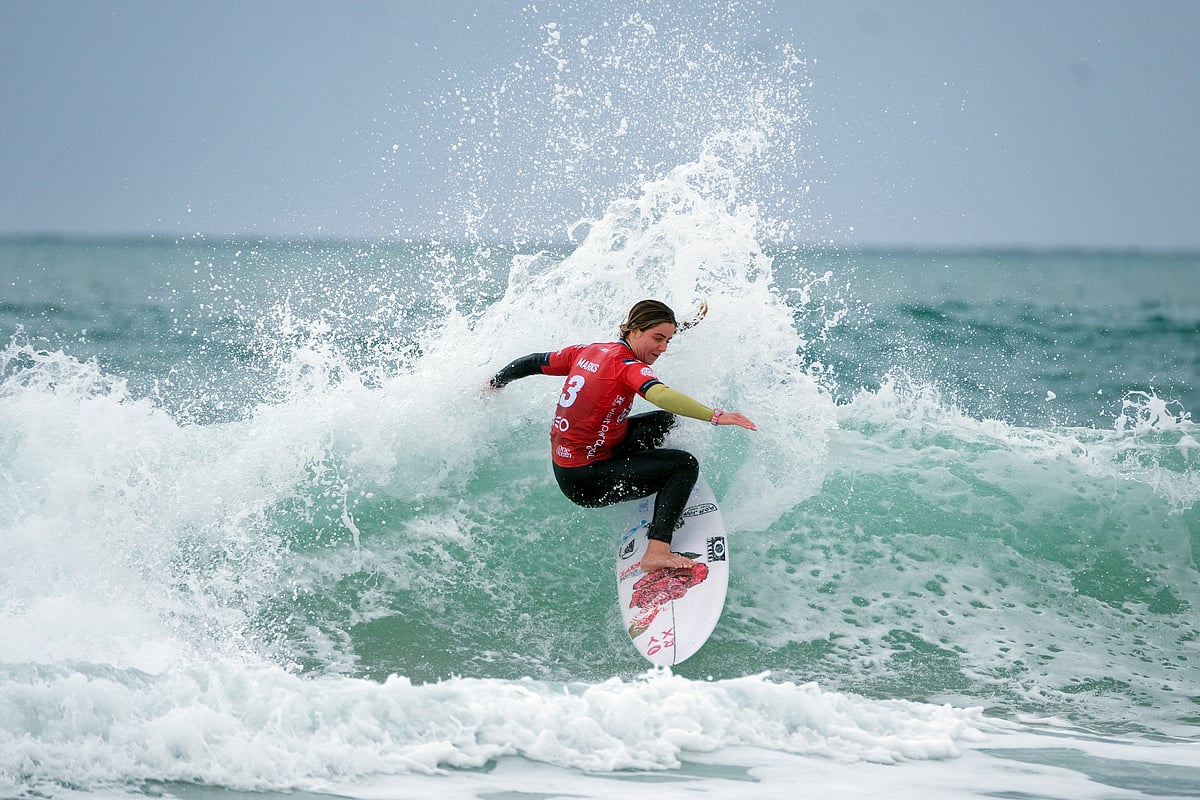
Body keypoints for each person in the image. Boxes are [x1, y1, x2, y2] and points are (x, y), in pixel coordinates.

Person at [488, 299, 756, 572]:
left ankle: (655, 479)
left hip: (576, 461)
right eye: (658, 338)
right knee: (685, 464)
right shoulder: (628, 366)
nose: (663, 348)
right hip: (586, 481)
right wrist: (715, 416)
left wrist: (495, 383)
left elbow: (532, 362)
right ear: (635, 331)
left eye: (668, 340)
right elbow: (660, 394)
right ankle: (657, 550)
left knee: (665, 422)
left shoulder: (588, 352)